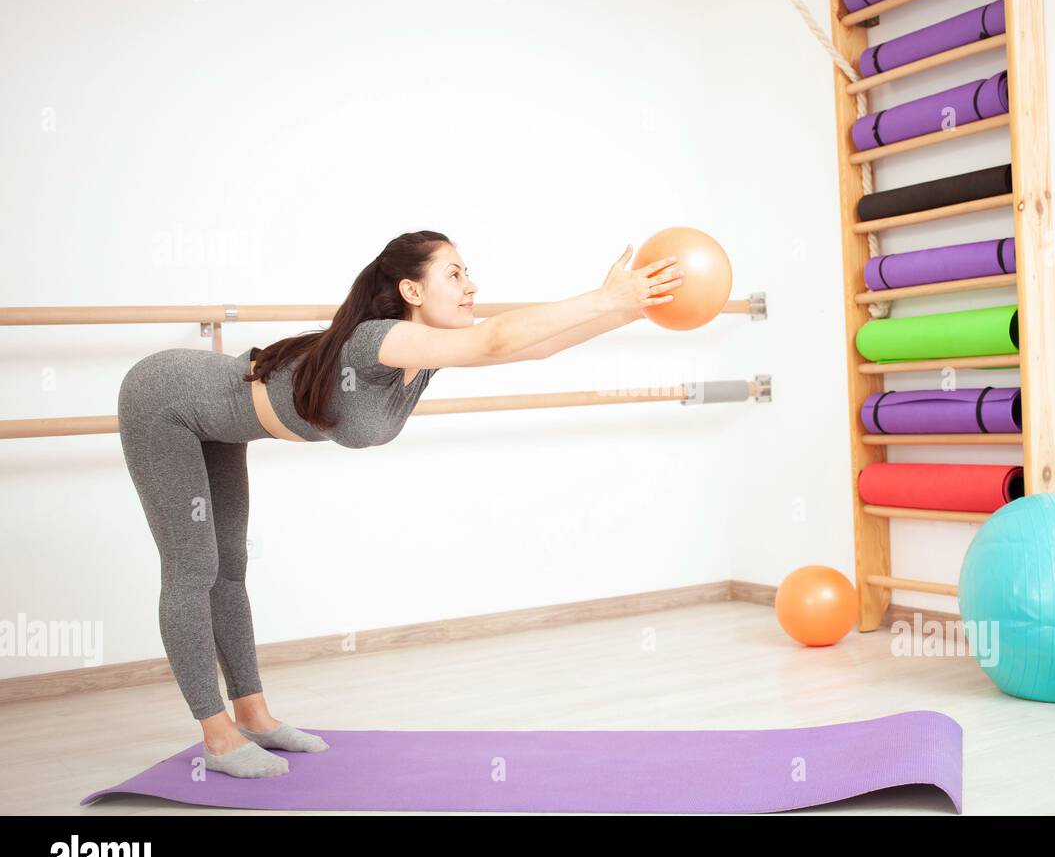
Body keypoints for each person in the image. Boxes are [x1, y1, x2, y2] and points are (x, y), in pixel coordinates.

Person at [116, 230, 682, 778]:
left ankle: (253, 717)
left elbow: (531, 347)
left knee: (230, 572)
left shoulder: (423, 354)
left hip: (216, 422)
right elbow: (497, 337)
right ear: (412, 291)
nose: (472, 286)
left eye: (468, 274)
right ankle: (217, 739)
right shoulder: (378, 339)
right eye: (455, 273)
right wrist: (607, 296)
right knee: (194, 570)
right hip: (166, 400)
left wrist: (626, 311)